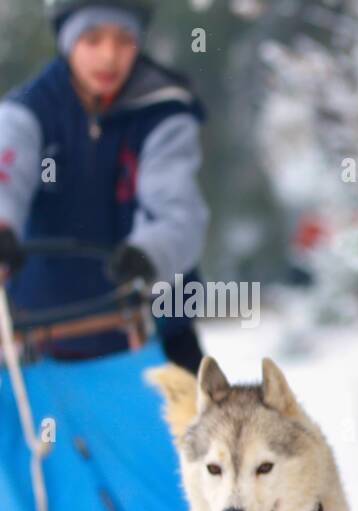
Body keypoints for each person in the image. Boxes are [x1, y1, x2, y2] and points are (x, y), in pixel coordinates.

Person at [0, 0, 207, 370]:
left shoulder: (164, 113)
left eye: (123, 40)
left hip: (151, 327)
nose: (109, 57)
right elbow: (6, 174)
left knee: (182, 425)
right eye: (93, 39)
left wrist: (150, 254)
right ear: (68, 42)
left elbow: (178, 210)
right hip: (41, 334)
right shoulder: (28, 111)